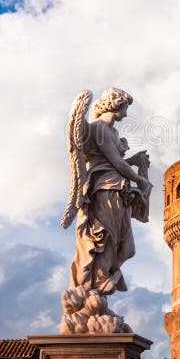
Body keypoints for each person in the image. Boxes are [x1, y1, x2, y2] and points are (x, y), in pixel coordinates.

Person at [61, 88, 152, 295]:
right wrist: (139, 180)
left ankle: (102, 286)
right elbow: (117, 164)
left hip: (117, 190)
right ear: (117, 105)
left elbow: (112, 162)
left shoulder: (111, 131)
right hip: (105, 191)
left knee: (127, 247)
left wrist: (134, 161)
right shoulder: (100, 128)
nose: (126, 114)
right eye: (126, 108)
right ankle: (96, 291)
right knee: (105, 241)